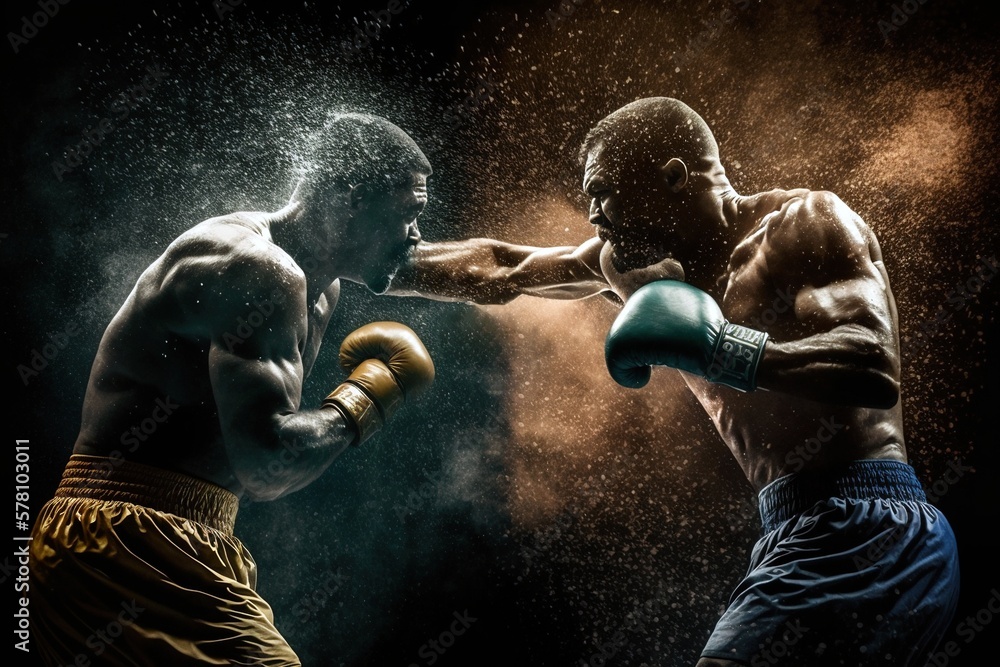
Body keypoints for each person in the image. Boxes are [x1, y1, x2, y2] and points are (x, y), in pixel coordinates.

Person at [392, 97, 961, 665]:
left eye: (601, 192)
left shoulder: (802, 222)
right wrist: (378, 259)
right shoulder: (633, 267)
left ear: (672, 177)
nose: (593, 216)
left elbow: (872, 365)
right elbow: (504, 267)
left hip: (867, 522)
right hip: (789, 528)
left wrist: (723, 350)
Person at [29, 113, 439, 666]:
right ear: (350, 199)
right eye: (409, 214)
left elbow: (491, 267)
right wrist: (369, 396)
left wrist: (563, 265)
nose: (416, 235)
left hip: (181, 539)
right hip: (121, 540)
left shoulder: (321, 286)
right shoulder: (255, 267)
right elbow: (266, 464)